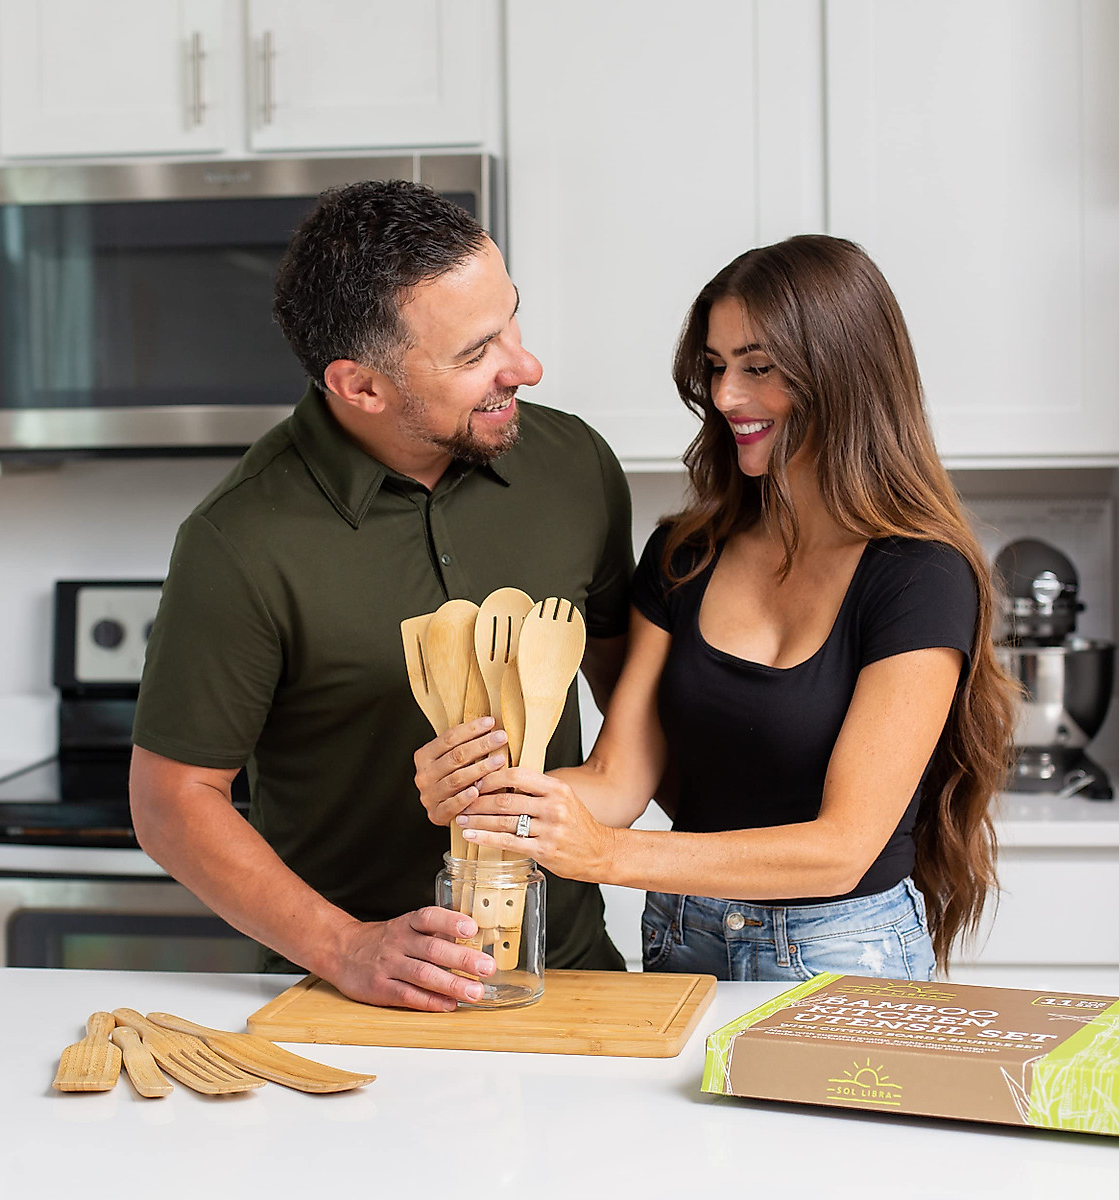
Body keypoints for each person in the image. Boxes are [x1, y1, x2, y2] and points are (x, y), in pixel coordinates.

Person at [415, 234, 1017, 982]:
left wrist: (610, 857)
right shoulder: (682, 555)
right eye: (716, 366)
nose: (727, 396)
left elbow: (842, 848)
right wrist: (488, 795)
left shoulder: (918, 575)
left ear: (844, 377)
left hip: (843, 952)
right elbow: (618, 781)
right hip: (683, 938)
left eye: (758, 368)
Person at [129, 180, 634, 1011]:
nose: (526, 365)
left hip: (572, 980)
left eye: (511, 316)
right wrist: (346, 946)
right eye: (475, 353)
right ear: (360, 387)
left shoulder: (574, 465)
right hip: (353, 1003)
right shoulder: (239, 541)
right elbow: (170, 801)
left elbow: (630, 706)